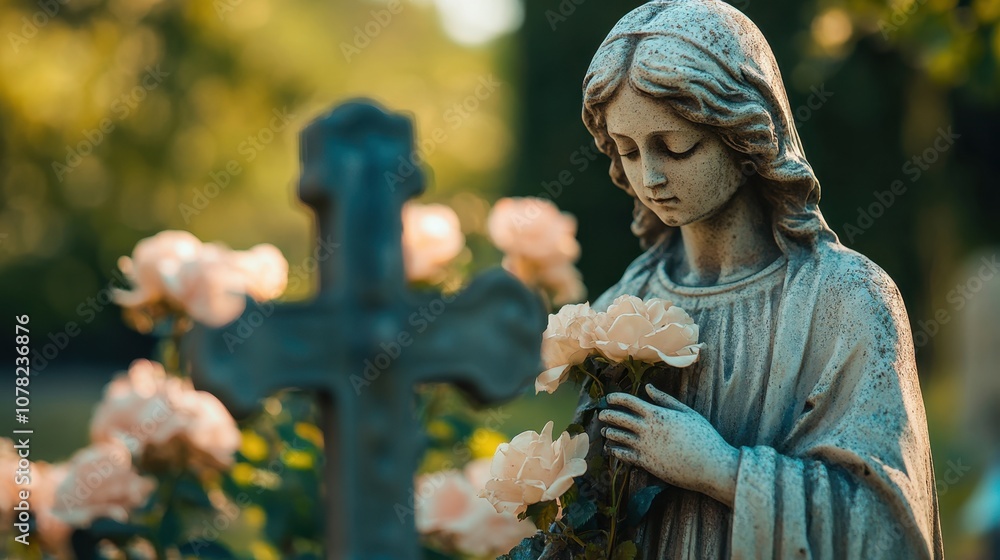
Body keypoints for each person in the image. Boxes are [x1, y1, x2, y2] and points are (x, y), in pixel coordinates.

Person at [572, 1, 943, 557]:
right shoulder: (621, 309)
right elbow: (587, 521)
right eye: (627, 151)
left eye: (676, 146)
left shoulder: (847, 300)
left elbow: (889, 530)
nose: (649, 176)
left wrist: (721, 470)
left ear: (745, 134)